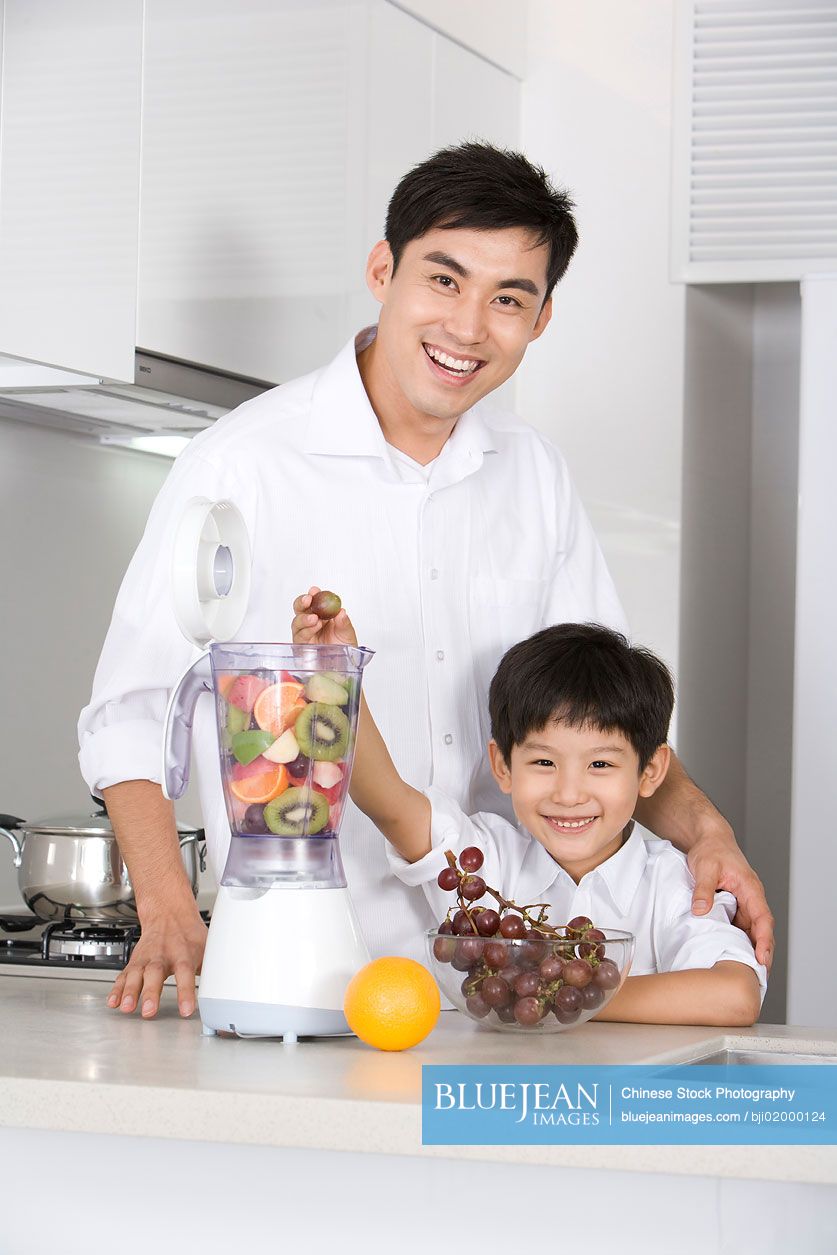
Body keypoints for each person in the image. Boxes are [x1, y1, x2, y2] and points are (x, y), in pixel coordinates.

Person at [78, 142, 773, 1021]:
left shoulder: (533, 473)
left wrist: (708, 832)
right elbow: (133, 713)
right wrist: (168, 909)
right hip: (316, 977)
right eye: (444, 280)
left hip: (514, 996)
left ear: (540, 319)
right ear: (383, 270)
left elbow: (603, 712)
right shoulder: (243, 463)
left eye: (507, 298)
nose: (468, 326)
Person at [292, 601, 765, 1025]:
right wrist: (337, 676)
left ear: (651, 771)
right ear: (503, 766)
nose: (569, 794)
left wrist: (557, 994)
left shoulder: (675, 882)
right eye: (543, 763)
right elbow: (387, 802)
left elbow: (735, 996)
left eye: (600, 765)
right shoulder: (482, 861)